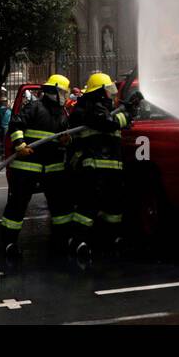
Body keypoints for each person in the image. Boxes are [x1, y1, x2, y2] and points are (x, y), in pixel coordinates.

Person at [67, 72, 138, 261]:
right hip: (93, 168)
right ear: (99, 91)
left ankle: (111, 238)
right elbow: (106, 123)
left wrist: (128, 109)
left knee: (114, 206)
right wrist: (127, 115)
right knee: (88, 206)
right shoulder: (88, 108)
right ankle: (78, 241)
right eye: (108, 90)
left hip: (111, 168)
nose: (111, 94)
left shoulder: (105, 109)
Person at [1, 74, 72, 258]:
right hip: (27, 167)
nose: (65, 96)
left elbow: (65, 137)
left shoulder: (62, 114)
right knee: (17, 206)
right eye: (63, 92)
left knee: (60, 208)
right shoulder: (34, 107)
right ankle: (9, 243)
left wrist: (66, 140)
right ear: (54, 92)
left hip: (52, 169)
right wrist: (20, 144)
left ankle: (62, 241)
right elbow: (15, 125)